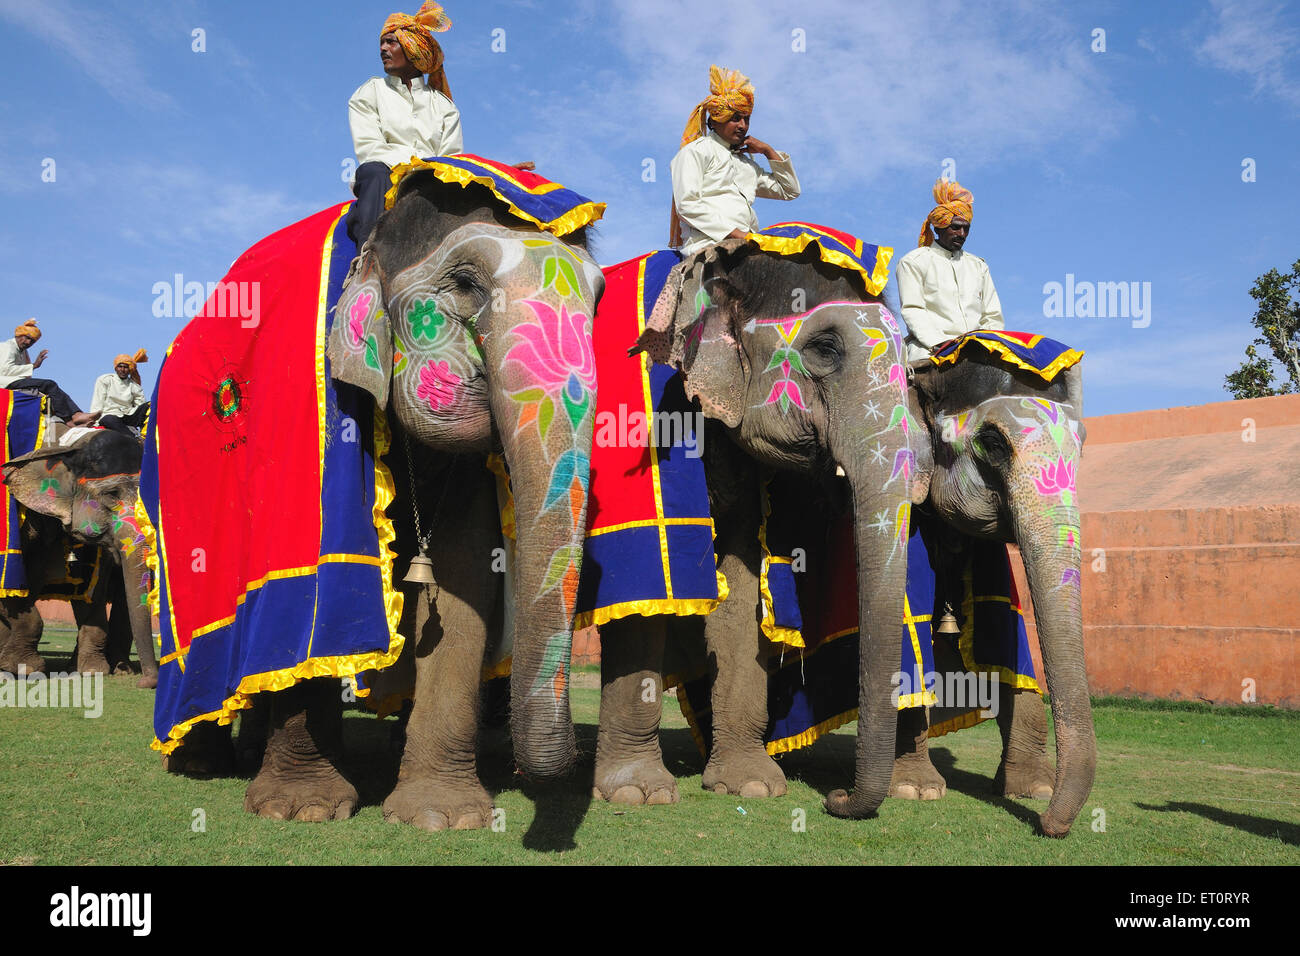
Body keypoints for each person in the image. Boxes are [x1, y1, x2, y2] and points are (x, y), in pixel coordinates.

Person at [345, 2, 462, 246]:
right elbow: (370, 150)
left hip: (434, 180)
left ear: (413, 50)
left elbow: (452, 158)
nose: (383, 49)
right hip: (385, 177)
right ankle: (368, 260)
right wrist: (413, 170)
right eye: (382, 42)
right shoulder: (370, 92)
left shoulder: (444, 106)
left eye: (391, 42)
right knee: (373, 171)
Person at [669, 65, 800, 256]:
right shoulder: (695, 152)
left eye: (746, 119)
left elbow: (789, 191)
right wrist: (736, 234)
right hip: (707, 245)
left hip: (747, 244)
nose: (742, 126)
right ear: (714, 121)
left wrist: (767, 151)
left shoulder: (747, 164)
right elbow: (687, 205)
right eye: (735, 118)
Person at [896, 179, 1005, 362]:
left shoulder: (978, 266)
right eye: (955, 227)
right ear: (939, 227)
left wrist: (989, 346)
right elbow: (913, 310)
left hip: (977, 350)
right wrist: (939, 343)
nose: (961, 234)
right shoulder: (913, 262)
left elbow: (992, 315)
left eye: (966, 229)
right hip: (930, 350)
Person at [0, 319, 99, 426]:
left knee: (52, 392)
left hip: (14, 381)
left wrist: (31, 368)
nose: (28, 342)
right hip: (5, 381)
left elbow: (26, 374)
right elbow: (5, 369)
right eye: (27, 338)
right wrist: (33, 366)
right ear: (19, 335)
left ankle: (75, 417)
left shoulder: (22, 351)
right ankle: (72, 418)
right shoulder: (8, 347)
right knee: (49, 384)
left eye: (32, 341)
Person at [91, 350, 150, 436]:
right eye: (120, 366)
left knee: (150, 405)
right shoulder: (105, 380)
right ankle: (133, 438)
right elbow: (97, 402)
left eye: (126, 367)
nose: (122, 370)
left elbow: (140, 405)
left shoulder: (134, 386)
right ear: (116, 368)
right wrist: (94, 422)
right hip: (111, 415)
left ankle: (148, 436)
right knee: (108, 419)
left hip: (128, 415)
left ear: (130, 369)